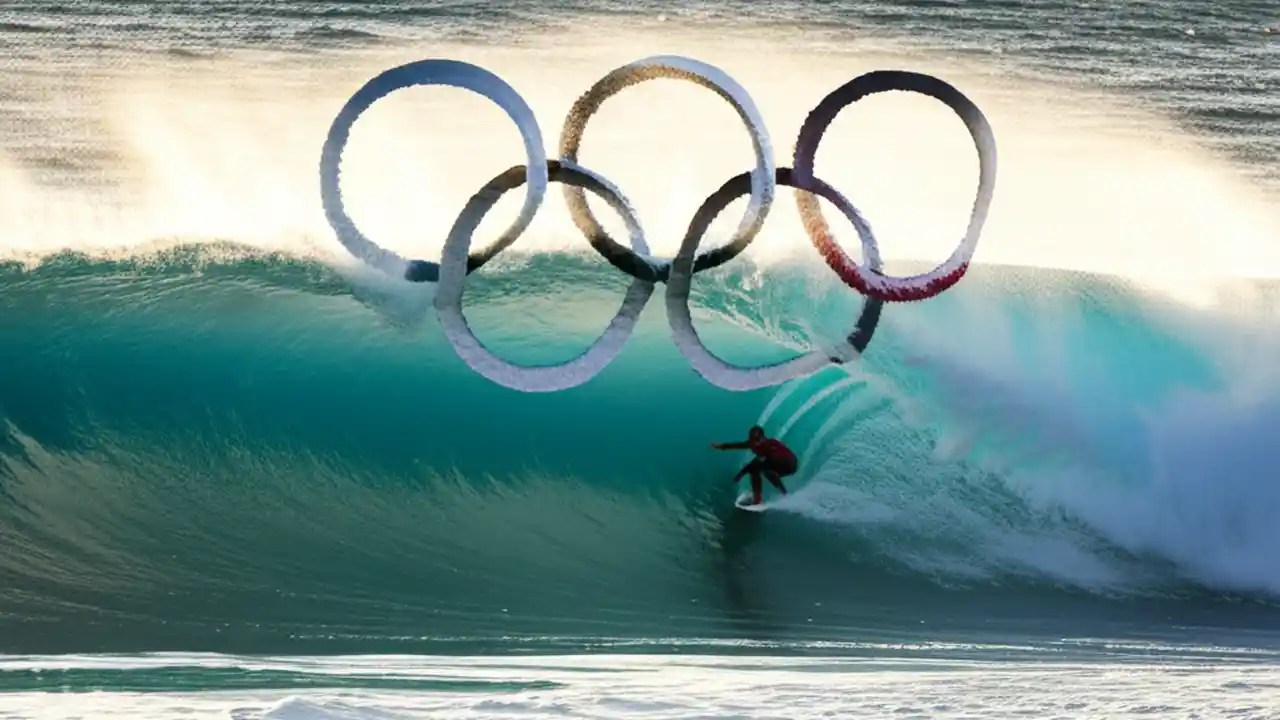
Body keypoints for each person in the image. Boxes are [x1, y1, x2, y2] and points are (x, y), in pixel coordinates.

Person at [711, 425, 797, 505]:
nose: (755, 443)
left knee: (760, 470)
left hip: (788, 464)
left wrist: (739, 476)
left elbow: (756, 465)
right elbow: (739, 445)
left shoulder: (768, 446)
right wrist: (722, 446)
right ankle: (782, 495)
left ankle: (762, 499)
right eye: (752, 439)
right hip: (776, 462)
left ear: (763, 438)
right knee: (760, 470)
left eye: (757, 440)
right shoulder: (753, 444)